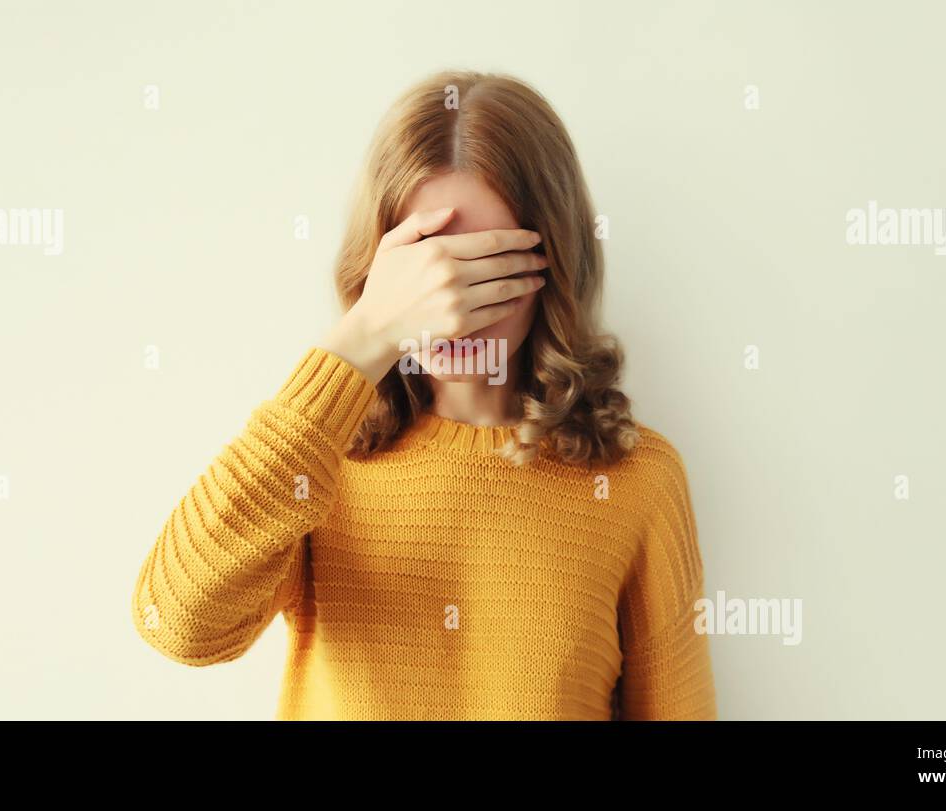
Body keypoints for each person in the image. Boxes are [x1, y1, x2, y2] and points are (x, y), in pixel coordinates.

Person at [131, 70, 717, 720]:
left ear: (554, 260)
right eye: (426, 265)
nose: (454, 310)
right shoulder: (317, 467)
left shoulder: (637, 482)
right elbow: (177, 622)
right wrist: (367, 336)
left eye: (486, 268)